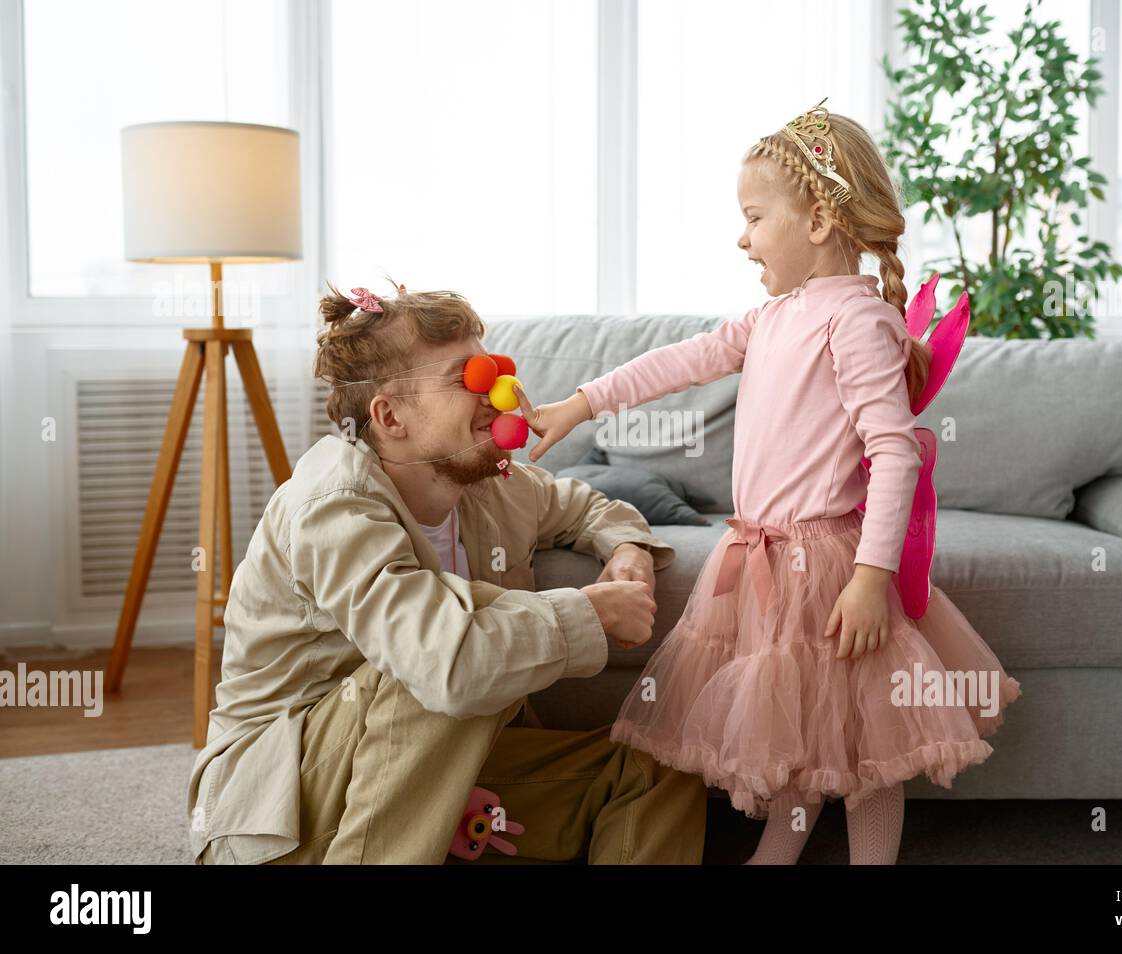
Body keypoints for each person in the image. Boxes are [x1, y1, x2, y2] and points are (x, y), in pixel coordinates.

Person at [523, 100, 1022, 865]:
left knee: (864, 737)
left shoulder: (854, 321)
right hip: (764, 560)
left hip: (829, 563)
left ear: (819, 218)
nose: (741, 235)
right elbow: (677, 361)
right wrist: (582, 402)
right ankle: (777, 854)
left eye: (754, 217)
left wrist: (869, 577)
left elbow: (895, 453)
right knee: (799, 724)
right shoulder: (771, 316)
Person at [187, 281, 707, 864]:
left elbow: (588, 506)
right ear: (389, 415)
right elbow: (447, 668)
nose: (502, 395)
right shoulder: (333, 505)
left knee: (655, 771)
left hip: (434, 777)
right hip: (288, 807)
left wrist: (628, 549)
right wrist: (589, 612)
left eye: (497, 371)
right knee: (449, 650)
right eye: (469, 379)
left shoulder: (483, 482)